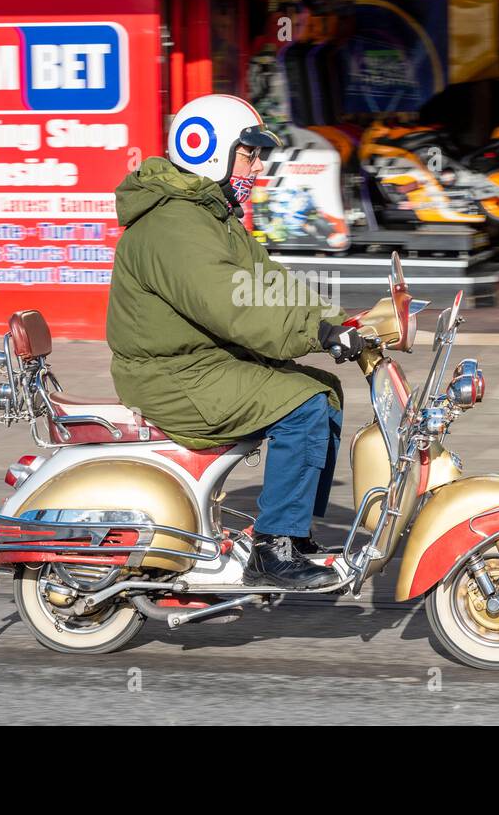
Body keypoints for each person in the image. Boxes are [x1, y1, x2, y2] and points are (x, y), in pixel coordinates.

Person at [106, 94, 363, 589]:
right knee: (304, 404)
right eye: (249, 154)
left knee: (322, 390)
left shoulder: (210, 217)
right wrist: (316, 332)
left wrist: (341, 322)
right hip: (172, 377)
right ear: (209, 149)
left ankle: (293, 534)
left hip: (200, 365)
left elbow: (270, 283)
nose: (257, 165)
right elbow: (235, 308)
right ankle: (273, 549)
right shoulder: (173, 226)